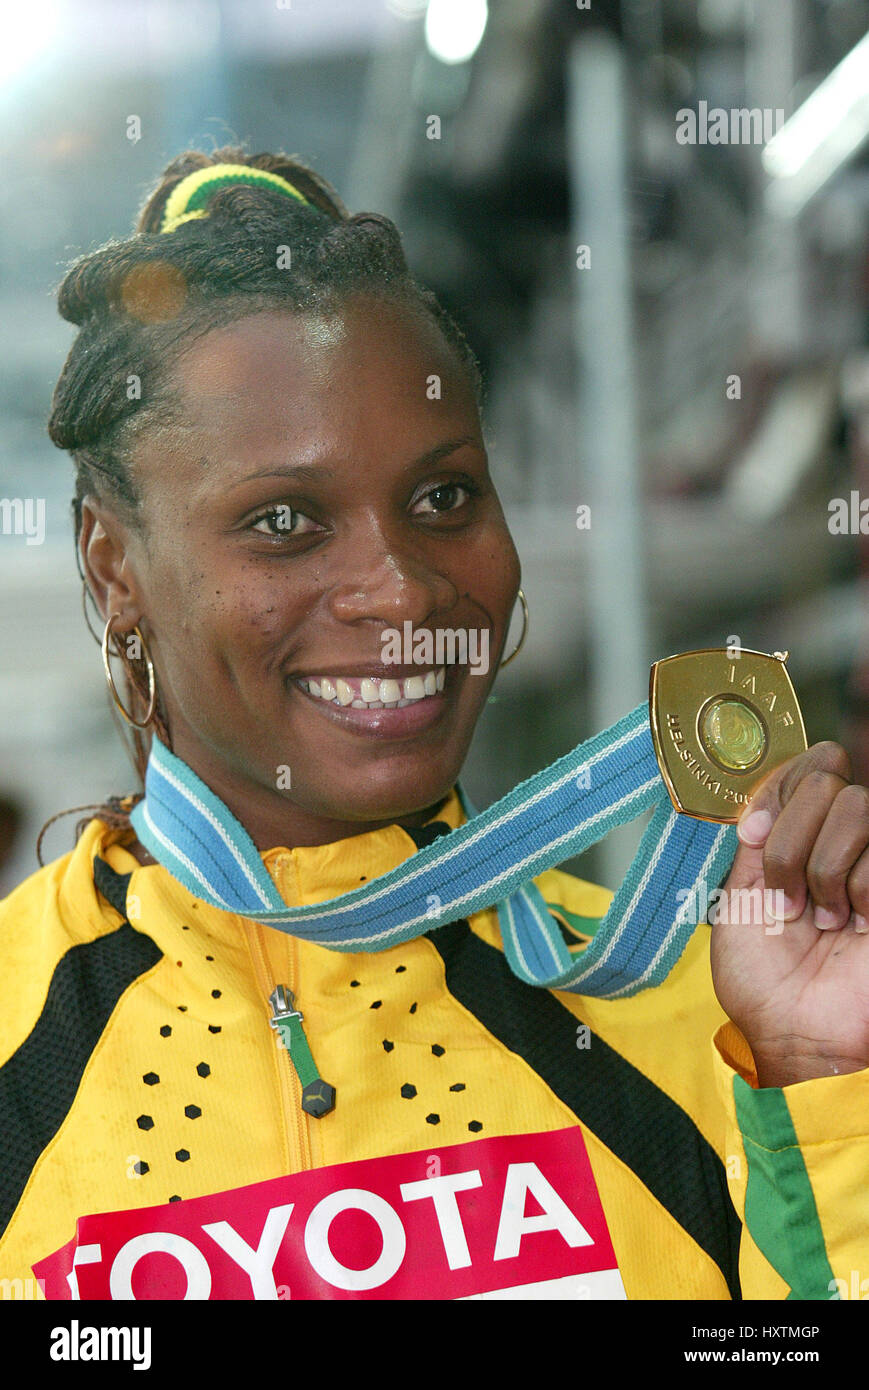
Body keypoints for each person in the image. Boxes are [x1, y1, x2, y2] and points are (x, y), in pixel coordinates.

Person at [1, 147, 867, 1302]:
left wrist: (821, 1079)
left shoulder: (710, 1019)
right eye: (284, 520)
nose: (401, 589)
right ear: (115, 568)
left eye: (442, 497)